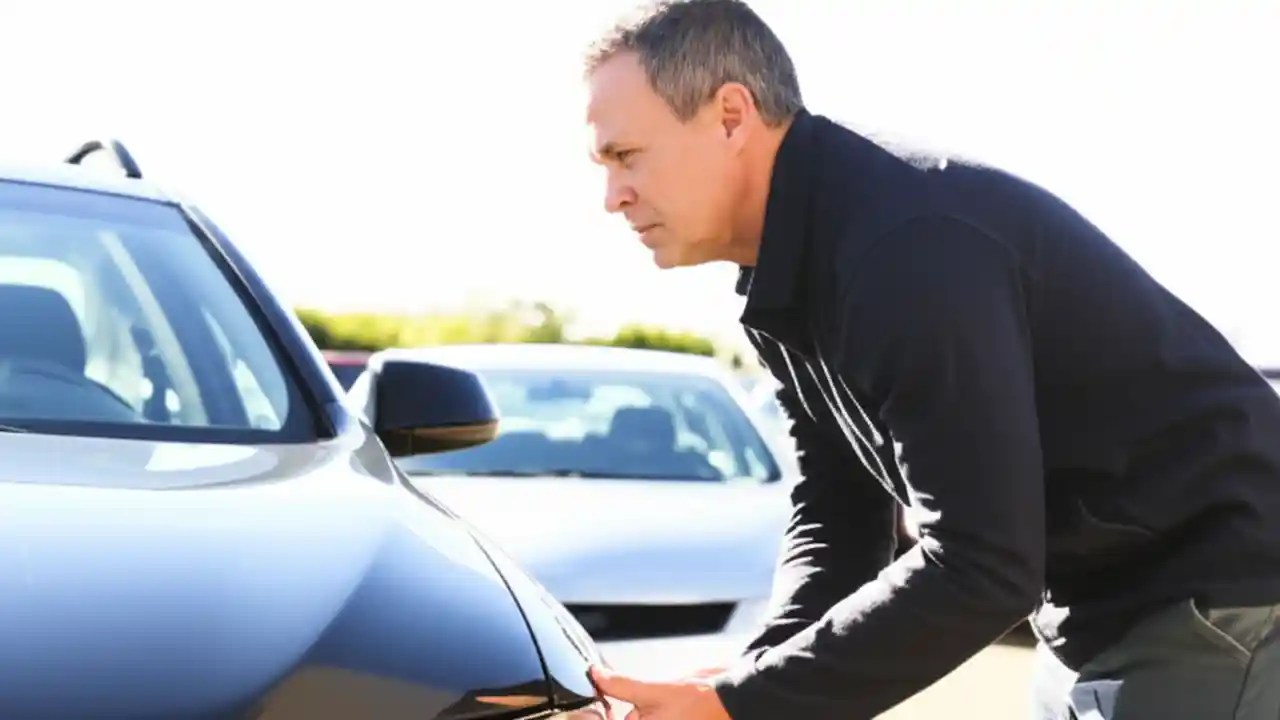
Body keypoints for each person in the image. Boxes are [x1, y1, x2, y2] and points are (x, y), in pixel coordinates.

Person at [580, 1, 1280, 718]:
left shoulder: (904, 248)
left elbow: (982, 563)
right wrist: (751, 681)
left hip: (1219, 602)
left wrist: (743, 703)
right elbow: (841, 515)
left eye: (627, 156)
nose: (613, 197)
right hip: (1107, 616)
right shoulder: (789, 273)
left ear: (732, 114)